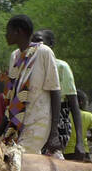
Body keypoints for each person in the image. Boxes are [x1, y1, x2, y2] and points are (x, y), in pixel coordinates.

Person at [0, 14, 62, 155]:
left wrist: (54, 132)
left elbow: (55, 91)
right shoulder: (15, 56)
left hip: (38, 122)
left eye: (8, 31)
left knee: (18, 159)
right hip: (16, 124)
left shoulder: (44, 52)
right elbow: (12, 97)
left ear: (18, 31)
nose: (6, 35)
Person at [32, 28, 85, 160]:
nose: (35, 46)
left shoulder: (61, 67)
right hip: (36, 119)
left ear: (50, 44)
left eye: (39, 41)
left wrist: (80, 142)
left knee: (52, 161)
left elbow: (74, 107)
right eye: (32, 42)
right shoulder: (29, 68)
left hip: (57, 123)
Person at [65, 90, 92, 160]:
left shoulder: (64, 116)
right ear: (80, 102)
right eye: (86, 102)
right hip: (83, 151)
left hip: (66, 153)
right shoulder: (88, 115)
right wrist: (85, 136)